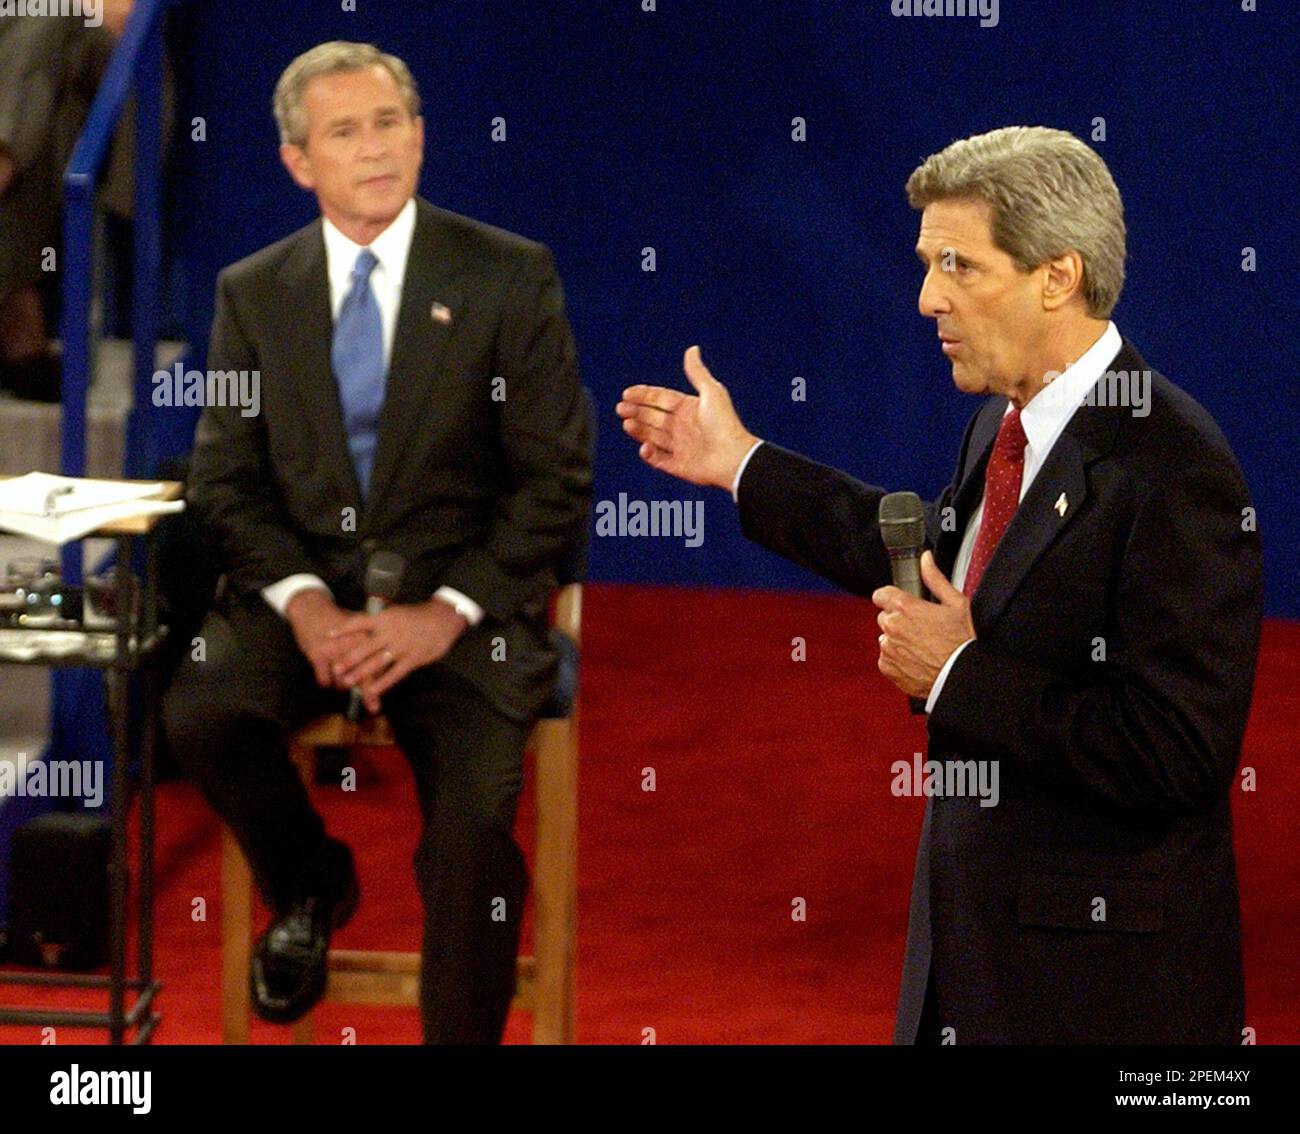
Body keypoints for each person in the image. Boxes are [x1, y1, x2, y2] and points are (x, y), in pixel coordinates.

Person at [617, 126, 1264, 1044]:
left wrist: (959, 673)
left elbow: (1176, 754)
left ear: (1057, 275)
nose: (927, 299)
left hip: (1098, 994)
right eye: (928, 264)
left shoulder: (1172, 466)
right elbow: (924, 551)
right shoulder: (1003, 429)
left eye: (959, 265)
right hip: (972, 959)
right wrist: (741, 463)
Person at [163, 41, 592, 1044]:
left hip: (461, 612)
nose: (374, 149)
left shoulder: (506, 276)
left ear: (422, 135)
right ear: (298, 161)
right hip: (306, 601)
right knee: (201, 709)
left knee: (473, 833)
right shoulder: (252, 294)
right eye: (344, 131)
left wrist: (442, 616)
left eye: (390, 123)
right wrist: (306, 603)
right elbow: (223, 481)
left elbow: (556, 482)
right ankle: (311, 888)